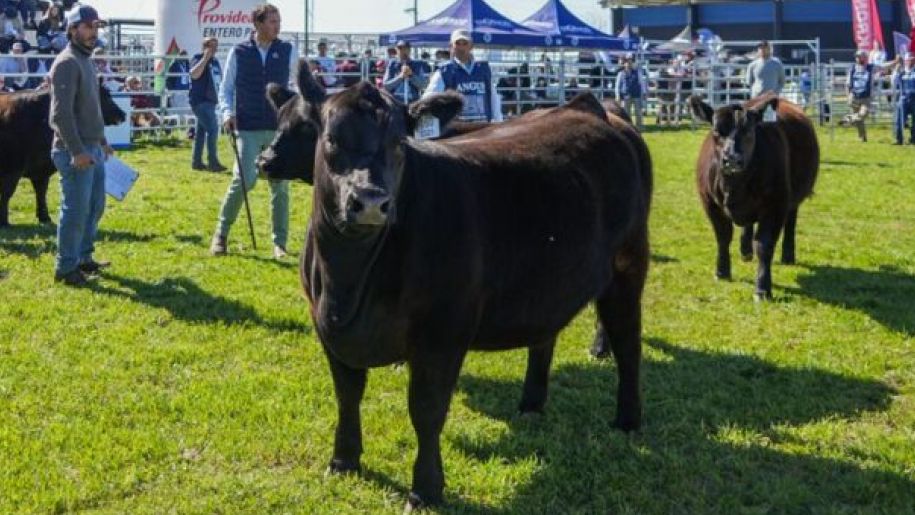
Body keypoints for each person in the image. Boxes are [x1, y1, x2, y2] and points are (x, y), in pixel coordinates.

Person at [211, 3, 298, 259]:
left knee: (280, 185)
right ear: (257, 24)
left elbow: (296, 85)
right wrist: (227, 113)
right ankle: (221, 234)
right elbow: (225, 89)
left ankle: (279, 243)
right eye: (272, 21)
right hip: (247, 127)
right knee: (244, 180)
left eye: (279, 21)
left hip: (278, 128)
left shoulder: (288, 50)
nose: (277, 26)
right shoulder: (238, 52)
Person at [48, 3, 114, 286]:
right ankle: (66, 267)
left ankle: (83, 258)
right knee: (75, 210)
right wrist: (77, 151)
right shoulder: (67, 62)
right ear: (72, 29)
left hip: (92, 148)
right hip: (75, 150)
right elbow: (60, 115)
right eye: (87, 26)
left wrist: (101, 141)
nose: (93, 32)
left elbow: (90, 107)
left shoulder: (85, 59)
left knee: (94, 206)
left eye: (95, 26)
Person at [423, 29, 503, 122]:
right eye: (457, 43)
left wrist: (498, 121)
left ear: (471, 46)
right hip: (458, 130)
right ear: (451, 46)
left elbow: (493, 97)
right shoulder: (444, 72)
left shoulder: (483, 69)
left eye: (465, 43)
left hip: (482, 127)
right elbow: (428, 98)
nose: (461, 48)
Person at [189, 36, 226, 172]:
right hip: (200, 101)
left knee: (201, 132)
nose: (215, 50)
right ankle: (213, 162)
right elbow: (194, 74)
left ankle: (196, 162)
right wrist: (204, 59)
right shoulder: (198, 58)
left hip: (211, 101)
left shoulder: (215, 62)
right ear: (205, 47)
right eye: (212, 46)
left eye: (216, 46)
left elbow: (219, 80)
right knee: (213, 130)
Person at [382, 39, 426, 104]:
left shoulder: (417, 64)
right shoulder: (392, 64)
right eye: (400, 49)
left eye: (405, 48)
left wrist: (411, 75)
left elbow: (422, 85)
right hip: (395, 102)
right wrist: (400, 77)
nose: (403, 51)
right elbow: (386, 85)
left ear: (409, 50)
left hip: (413, 101)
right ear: (396, 50)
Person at [614, 54, 645, 129]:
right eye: (627, 62)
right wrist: (617, 95)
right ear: (624, 64)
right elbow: (617, 86)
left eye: (630, 62)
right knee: (627, 113)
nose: (628, 64)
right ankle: (628, 126)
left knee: (638, 112)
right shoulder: (620, 74)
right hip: (625, 95)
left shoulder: (637, 72)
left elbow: (641, 83)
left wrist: (643, 93)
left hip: (636, 94)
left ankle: (639, 126)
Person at [893, 52, 915, 145]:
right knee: (899, 119)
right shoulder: (901, 72)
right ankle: (899, 139)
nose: (910, 61)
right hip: (903, 97)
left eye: (912, 60)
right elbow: (894, 83)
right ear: (905, 61)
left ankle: (913, 139)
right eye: (908, 60)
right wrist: (895, 71)